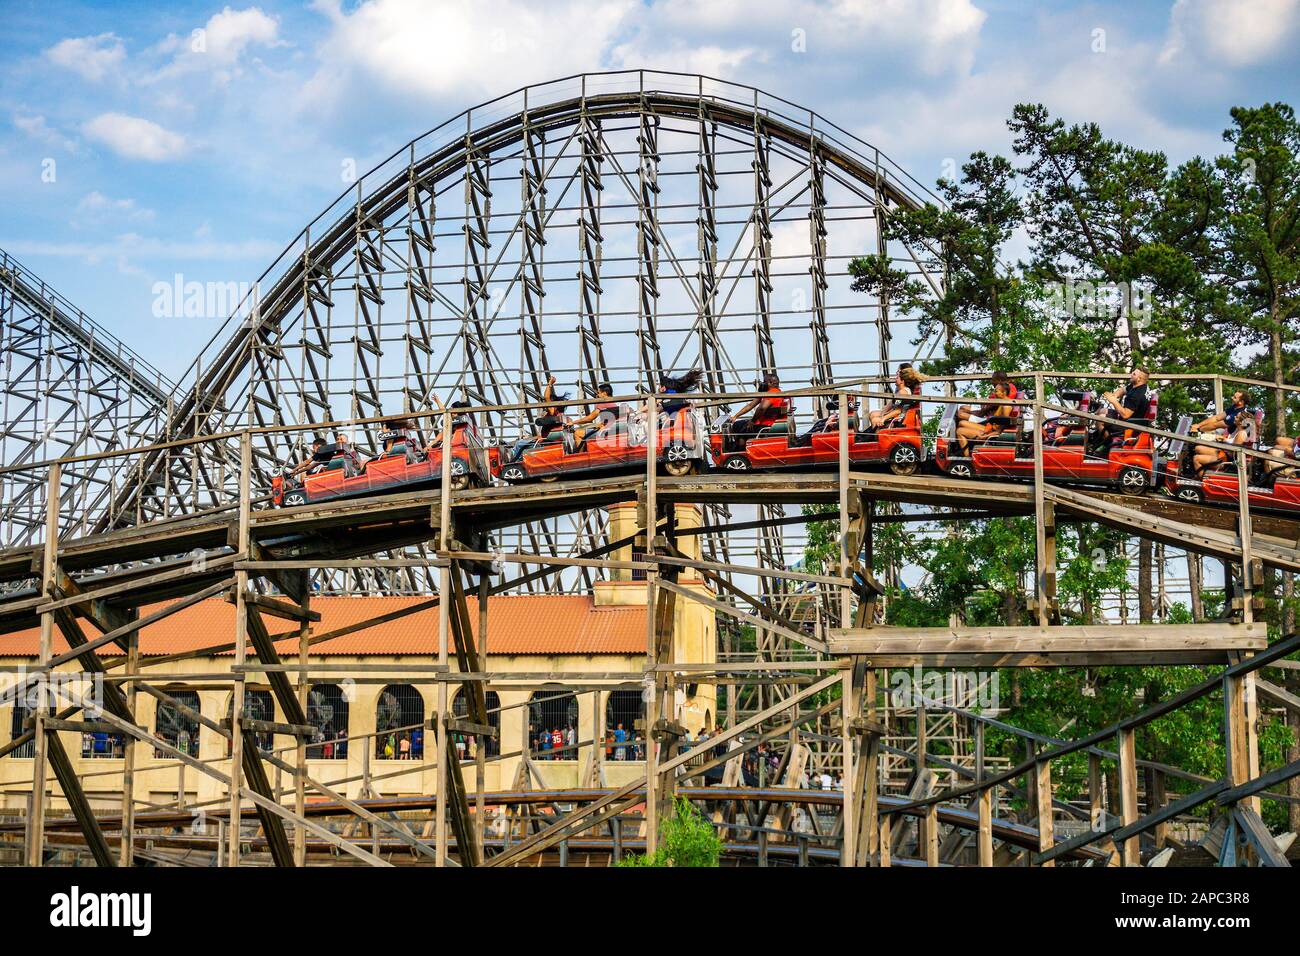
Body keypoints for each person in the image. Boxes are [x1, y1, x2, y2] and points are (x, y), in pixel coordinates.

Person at [1191, 389, 1253, 473]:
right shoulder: (1234, 408)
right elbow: (1216, 418)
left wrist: (1198, 429)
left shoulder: (1239, 421)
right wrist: (1198, 425)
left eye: (1234, 397)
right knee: (1197, 448)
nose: (1232, 398)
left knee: (1196, 451)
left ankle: (1201, 480)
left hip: (1225, 456)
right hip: (1224, 448)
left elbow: (1215, 425)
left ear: (1241, 402)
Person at [724, 372, 788, 449]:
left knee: (742, 430)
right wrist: (736, 416)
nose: (763, 384)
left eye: (764, 382)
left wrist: (753, 421)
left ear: (770, 382)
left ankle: (740, 449)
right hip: (763, 423)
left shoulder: (772, 393)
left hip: (765, 426)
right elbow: (750, 405)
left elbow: (762, 408)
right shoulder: (772, 393)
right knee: (738, 424)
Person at [955, 379, 1014, 455]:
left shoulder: (1006, 407)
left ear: (1004, 392)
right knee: (961, 422)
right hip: (988, 427)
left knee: (959, 431)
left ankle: (967, 458)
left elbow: (1001, 430)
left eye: (996, 391)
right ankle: (965, 448)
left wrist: (986, 436)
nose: (994, 393)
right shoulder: (1002, 402)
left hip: (991, 433)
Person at [1098, 366, 1151, 446]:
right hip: (1131, 419)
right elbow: (1123, 390)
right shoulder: (1139, 386)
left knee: (1100, 420)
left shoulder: (1136, 395)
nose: (1131, 375)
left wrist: (1114, 402)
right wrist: (1115, 395)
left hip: (1131, 425)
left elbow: (1125, 415)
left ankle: (1108, 445)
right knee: (1102, 411)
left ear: (1139, 379)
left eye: (1134, 374)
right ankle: (1103, 439)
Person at [568, 382, 626, 448]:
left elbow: (589, 418)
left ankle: (580, 454)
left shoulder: (602, 403)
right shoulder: (613, 404)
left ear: (604, 393)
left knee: (578, 433)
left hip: (605, 432)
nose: (597, 395)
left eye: (599, 393)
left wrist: (572, 422)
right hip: (610, 431)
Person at [869, 363, 926, 429]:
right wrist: (883, 412)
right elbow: (894, 403)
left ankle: (877, 436)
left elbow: (898, 410)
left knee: (875, 420)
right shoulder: (901, 389)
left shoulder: (903, 391)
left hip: (899, 419)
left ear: (902, 379)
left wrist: (884, 417)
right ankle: (875, 434)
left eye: (898, 374)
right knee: (873, 414)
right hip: (897, 414)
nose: (896, 374)